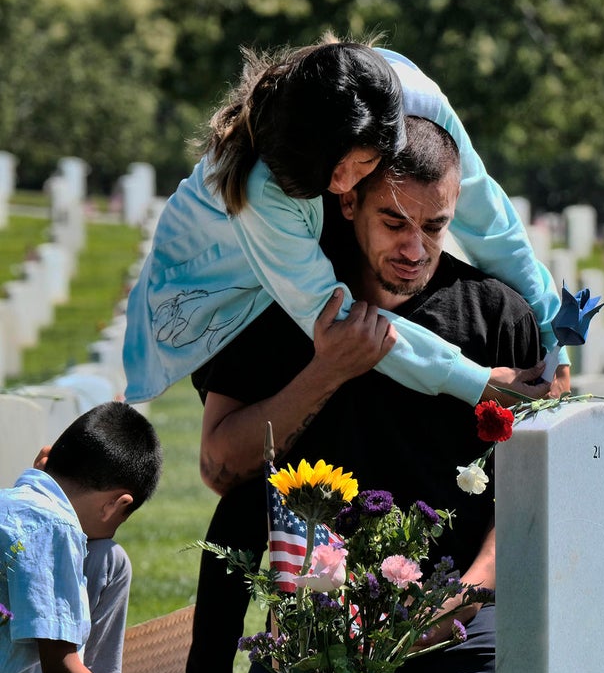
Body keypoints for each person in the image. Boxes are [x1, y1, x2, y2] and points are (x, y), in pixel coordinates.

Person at [175, 116, 532, 673]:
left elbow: (534, 489)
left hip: (454, 601)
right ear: (348, 201)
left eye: (435, 225)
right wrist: (329, 368)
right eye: (395, 222)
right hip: (322, 604)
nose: (416, 249)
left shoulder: (497, 314)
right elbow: (219, 468)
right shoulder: (275, 302)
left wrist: (468, 591)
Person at [122, 35, 569, 413]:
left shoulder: (419, 100)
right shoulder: (262, 184)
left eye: (359, 166)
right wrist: (476, 381)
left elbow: (491, 224)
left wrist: (554, 333)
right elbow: (338, 319)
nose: (341, 188)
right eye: (329, 174)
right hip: (221, 289)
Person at [0, 403, 198, 673]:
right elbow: (61, 671)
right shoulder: (54, 527)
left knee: (109, 557)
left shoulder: (11, 503)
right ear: (115, 505)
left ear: (48, 458)